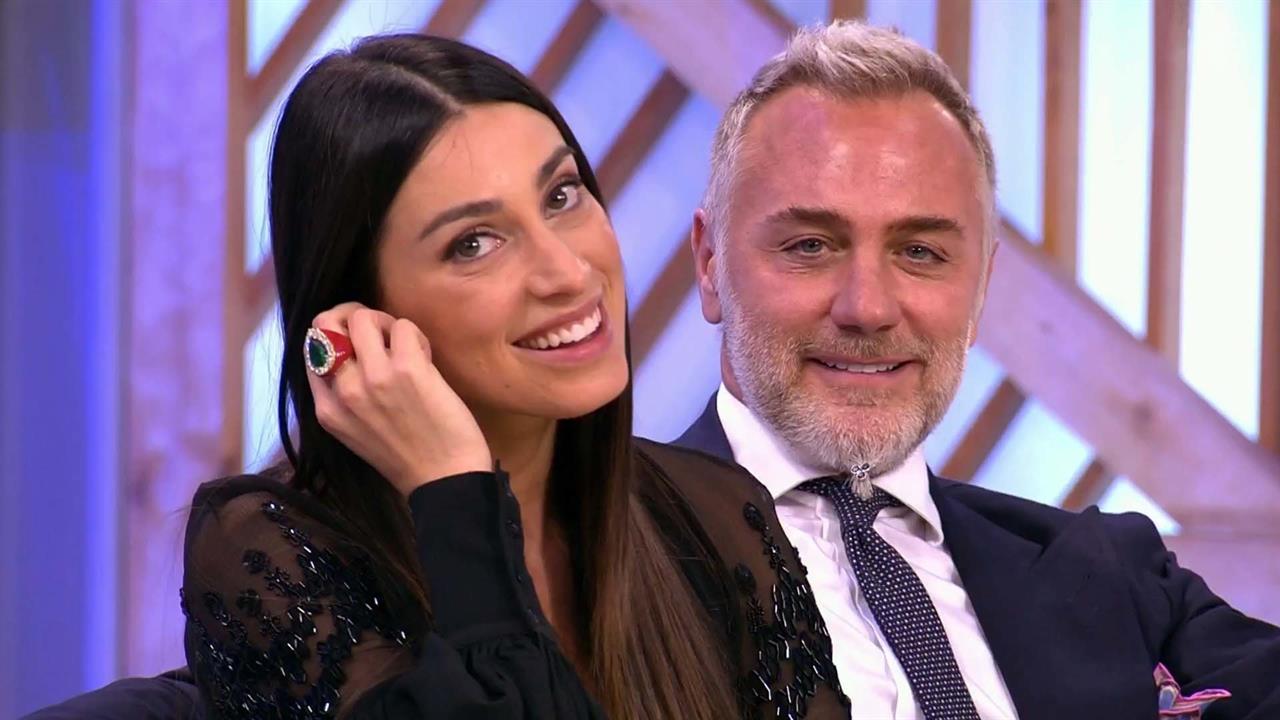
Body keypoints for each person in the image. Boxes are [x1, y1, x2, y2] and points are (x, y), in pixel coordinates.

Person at [26, 35, 848, 720]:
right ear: (360, 315)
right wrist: (454, 486)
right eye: (473, 243)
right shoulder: (269, 554)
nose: (567, 273)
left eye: (562, 195)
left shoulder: (717, 515)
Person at [675, 19, 1280, 720]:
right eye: (810, 245)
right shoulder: (597, 543)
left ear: (981, 287)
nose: (867, 308)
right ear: (711, 264)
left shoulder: (1116, 576)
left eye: (920, 253)